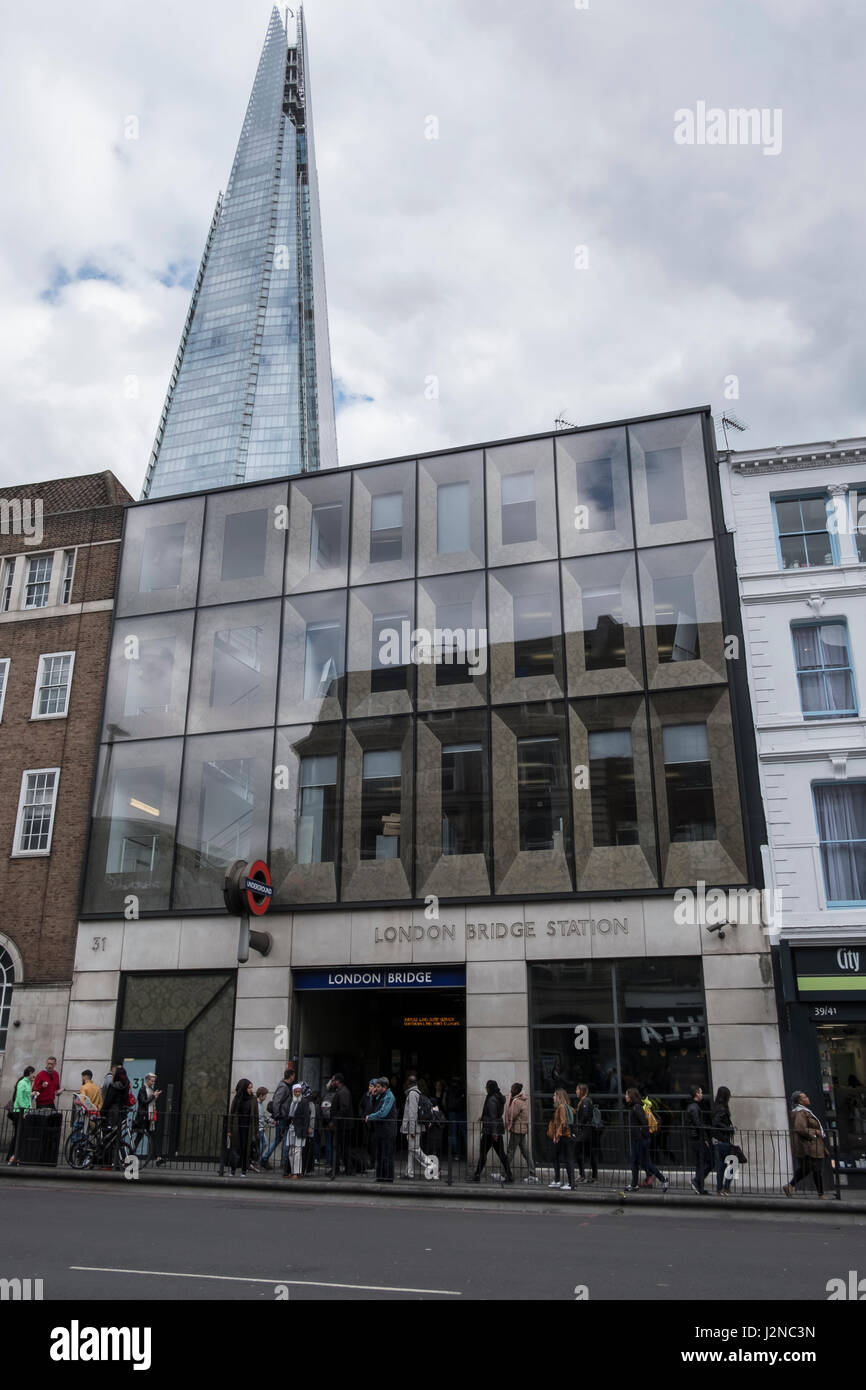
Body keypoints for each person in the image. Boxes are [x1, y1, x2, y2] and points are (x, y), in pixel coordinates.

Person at [784, 1091, 828, 1199]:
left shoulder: (805, 1111)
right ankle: (820, 1194)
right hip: (810, 1146)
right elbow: (800, 1128)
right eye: (805, 1097)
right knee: (814, 1169)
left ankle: (790, 1186)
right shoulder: (800, 1112)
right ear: (800, 1101)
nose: (808, 1098)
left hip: (814, 1145)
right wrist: (815, 1132)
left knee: (808, 1168)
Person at [624, 1087, 668, 1193]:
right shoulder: (635, 1107)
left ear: (631, 1096)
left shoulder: (636, 1107)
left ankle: (663, 1179)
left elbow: (644, 1123)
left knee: (645, 1163)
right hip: (637, 1140)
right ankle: (634, 1184)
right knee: (634, 1161)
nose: (625, 1097)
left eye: (626, 1095)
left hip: (640, 1140)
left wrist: (640, 1136)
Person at [472, 1079, 513, 1183]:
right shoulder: (498, 1096)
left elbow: (493, 1116)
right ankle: (510, 1175)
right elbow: (493, 1114)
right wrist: (483, 1117)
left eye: (486, 1087)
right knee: (501, 1154)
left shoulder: (491, 1099)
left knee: (483, 1153)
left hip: (490, 1131)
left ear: (490, 1088)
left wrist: (494, 1133)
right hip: (496, 1129)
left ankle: (477, 1175)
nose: (485, 1089)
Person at [260, 1066, 295, 1167]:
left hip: (283, 1117)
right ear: (290, 1076)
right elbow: (276, 1102)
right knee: (284, 1139)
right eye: (293, 1076)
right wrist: (277, 1116)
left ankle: (265, 1158)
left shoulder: (285, 1086)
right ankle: (284, 1162)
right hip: (282, 1117)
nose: (294, 1078)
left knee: (279, 1139)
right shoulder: (283, 1087)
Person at [367, 1078, 398, 1183]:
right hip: (380, 1131)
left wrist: (370, 1117)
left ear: (384, 1087)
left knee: (387, 1155)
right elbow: (372, 1108)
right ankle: (380, 1176)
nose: (376, 1088)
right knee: (379, 1155)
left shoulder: (389, 1096)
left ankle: (388, 1178)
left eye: (378, 1087)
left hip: (388, 1131)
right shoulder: (380, 1096)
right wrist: (372, 1096)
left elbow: (383, 1113)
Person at [401, 1073, 431, 1180]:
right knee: (411, 1150)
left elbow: (412, 1113)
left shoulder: (412, 1094)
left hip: (414, 1128)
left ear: (409, 1083)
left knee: (414, 1149)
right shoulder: (415, 1093)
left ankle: (431, 1165)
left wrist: (412, 1130)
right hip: (415, 1127)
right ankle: (409, 1173)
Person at [505, 1082, 537, 1181]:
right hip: (521, 1130)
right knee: (526, 1152)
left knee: (510, 1151)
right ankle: (533, 1174)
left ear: (516, 1090)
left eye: (512, 1088)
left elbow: (512, 1114)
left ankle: (503, 1173)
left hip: (517, 1130)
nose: (510, 1090)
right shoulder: (521, 1100)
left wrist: (509, 1101)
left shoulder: (517, 1102)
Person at [547, 1087, 576, 1191]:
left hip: (564, 1137)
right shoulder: (566, 1107)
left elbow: (563, 1123)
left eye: (554, 1095)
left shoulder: (562, 1107)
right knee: (557, 1158)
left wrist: (557, 1135)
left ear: (559, 1096)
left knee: (568, 1160)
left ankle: (570, 1183)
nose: (553, 1097)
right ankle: (559, 1180)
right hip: (564, 1136)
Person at [227, 1079, 257, 1177]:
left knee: (246, 1149)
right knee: (235, 1148)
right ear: (243, 1088)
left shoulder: (253, 1099)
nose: (251, 1090)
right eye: (249, 1088)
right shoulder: (237, 1099)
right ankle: (233, 1170)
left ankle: (244, 1170)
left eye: (251, 1087)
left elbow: (256, 1116)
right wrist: (229, 1130)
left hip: (248, 1128)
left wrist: (255, 1131)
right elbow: (231, 1114)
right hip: (237, 1126)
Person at [710, 1086, 736, 1196]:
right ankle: (726, 1188)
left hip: (718, 1140)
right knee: (733, 1162)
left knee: (721, 1166)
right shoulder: (722, 1108)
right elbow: (716, 1123)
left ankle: (720, 1189)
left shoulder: (717, 1107)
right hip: (723, 1140)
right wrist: (728, 1129)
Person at [7, 1066, 34, 1165]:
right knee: (19, 1135)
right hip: (19, 1112)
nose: (34, 1076)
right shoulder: (22, 1083)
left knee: (21, 1135)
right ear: (30, 1073)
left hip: (24, 1112)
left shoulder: (28, 1083)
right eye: (33, 1074)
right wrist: (24, 1111)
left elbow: (26, 1097)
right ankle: (13, 1156)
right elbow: (20, 1098)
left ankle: (16, 1156)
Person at [686, 1085, 711, 1195]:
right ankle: (696, 1181)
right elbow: (697, 1124)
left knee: (700, 1163)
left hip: (695, 1138)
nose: (702, 1094)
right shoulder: (694, 1107)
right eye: (701, 1092)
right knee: (709, 1162)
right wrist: (705, 1138)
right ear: (696, 1094)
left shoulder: (693, 1106)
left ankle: (699, 1187)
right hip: (697, 1138)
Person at [330, 1073, 353, 1177]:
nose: (332, 1082)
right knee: (340, 1147)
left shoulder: (343, 1092)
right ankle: (339, 1168)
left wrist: (334, 1121)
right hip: (341, 1125)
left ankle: (347, 1169)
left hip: (343, 1125)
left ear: (338, 1081)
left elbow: (344, 1108)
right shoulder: (340, 1091)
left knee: (343, 1148)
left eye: (334, 1080)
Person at [574, 1084, 598, 1184]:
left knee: (578, 1150)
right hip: (586, 1131)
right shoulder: (583, 1101)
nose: (576, 1091)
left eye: (577, 1089)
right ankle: (591, 1175)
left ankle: (584, 1175)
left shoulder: (586, 1101)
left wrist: (578, 1126)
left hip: (585, 1131)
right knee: (588, 1152)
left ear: (582, 1091)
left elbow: (585, 1116)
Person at [445, 1076, 467, 1160]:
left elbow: (445, 1101)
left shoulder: (449, 1089)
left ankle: (456, 1154)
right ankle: (466, 1152)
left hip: (452, 1112)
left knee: (454, 1134)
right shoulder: (462, 1088)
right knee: (464, 1133)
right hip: (462, 1112)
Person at [360, 1079, 379, 1169]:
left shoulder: (377, 1096)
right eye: (369, 1086)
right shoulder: (366, 1095)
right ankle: (366, 1163)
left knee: (373, 1145)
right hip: (366, 1122)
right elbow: (360, 1105)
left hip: (374, 1125)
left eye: (371, 1086)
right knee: (366, 1144)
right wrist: (362, 1116)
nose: (369, 1087)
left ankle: (372, 1163)